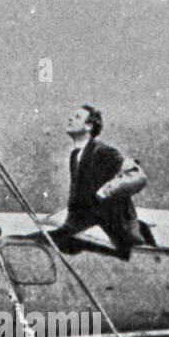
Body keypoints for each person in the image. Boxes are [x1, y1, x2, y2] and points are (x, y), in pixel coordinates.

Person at [57, 105, 148, 257]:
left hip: (114, 234)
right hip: (88, 228)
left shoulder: (104, 152)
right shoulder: (75, 155)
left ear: (89, 126)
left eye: (77, 117)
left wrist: (106, 191)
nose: (70, 119)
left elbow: (137, 176)